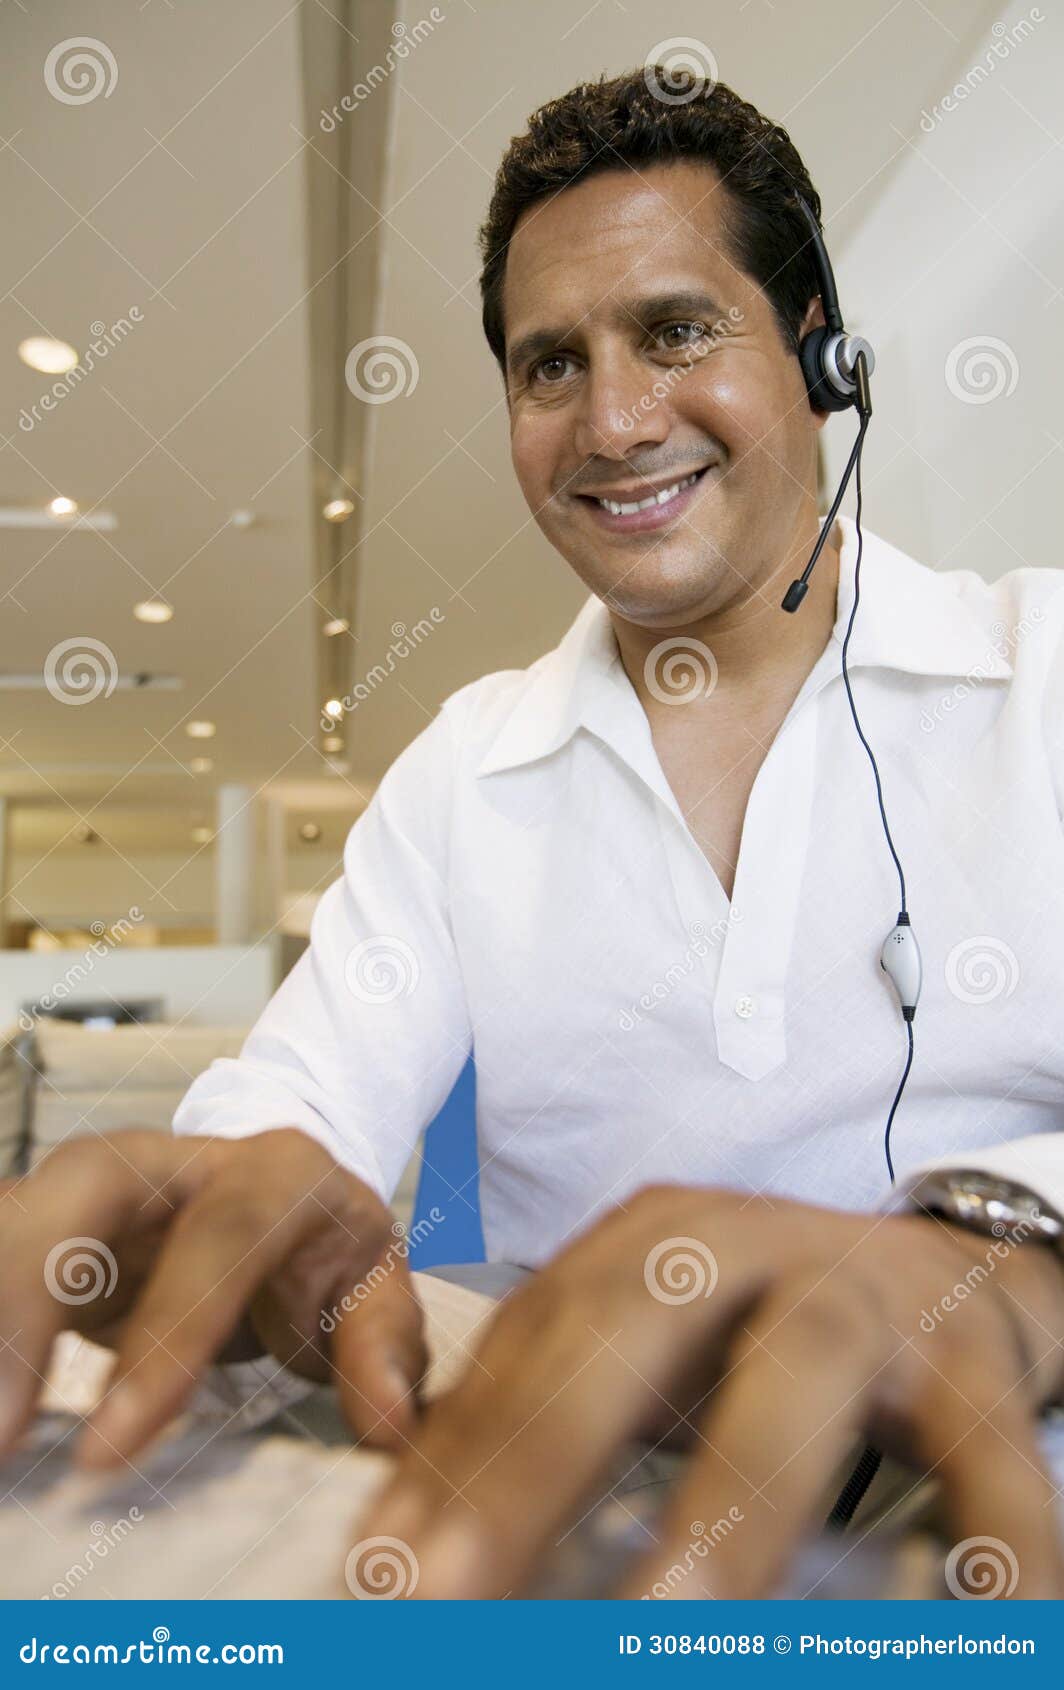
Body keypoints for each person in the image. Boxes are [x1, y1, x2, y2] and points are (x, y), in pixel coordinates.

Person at [4, 69, 1064, 1600]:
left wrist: (999, 1257)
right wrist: (227, 1213)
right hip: (591, 1536)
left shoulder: (1043, 682)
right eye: (548, 364)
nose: (615, 421)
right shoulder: (466, 768)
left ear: (826, 348)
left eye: (678, 329)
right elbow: (294, 1116)